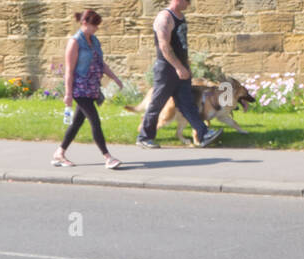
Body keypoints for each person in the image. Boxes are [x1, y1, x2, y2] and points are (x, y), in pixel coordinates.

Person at [136, 0, 220, 149]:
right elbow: (164, 46)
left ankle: (203, 134)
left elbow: (182, 45)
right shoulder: (165, 17)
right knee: (157, 103)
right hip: (167, 69)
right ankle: (144, 137)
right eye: (187, 1)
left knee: (187, 103)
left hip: (181, 68)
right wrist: (178, 67)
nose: (189, 3)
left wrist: (186, 66)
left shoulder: (181, 17)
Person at [53, 9, 126, 170]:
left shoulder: (95, 41)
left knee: (77, 122)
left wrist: (115, 77)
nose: (96, 28)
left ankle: (60, 152)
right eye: (94, 25)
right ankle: (108, 157)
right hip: (79, 88)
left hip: (92, 87)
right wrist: (68, 93)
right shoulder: (75, 42)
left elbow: (101, 63)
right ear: (84, 23)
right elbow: (69, 70)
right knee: (95, 120)